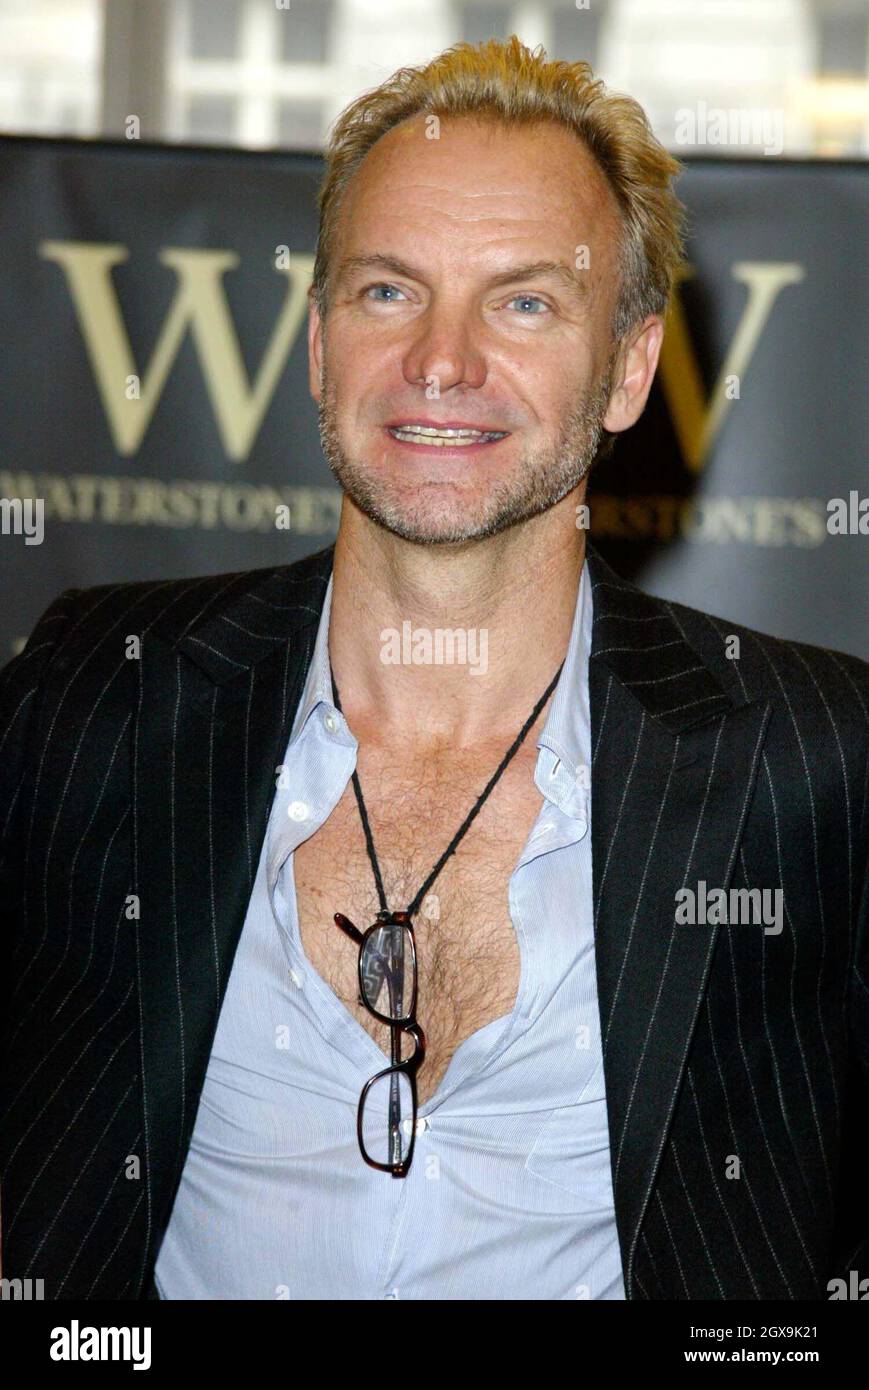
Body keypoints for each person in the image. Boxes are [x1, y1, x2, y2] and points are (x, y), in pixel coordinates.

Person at [0, 37, 866, 1302]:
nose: (441, 362)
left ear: (627, 367)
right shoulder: (93, 694)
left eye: (523, 300)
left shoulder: (816, 761)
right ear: (315, 344)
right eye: (388, 291)